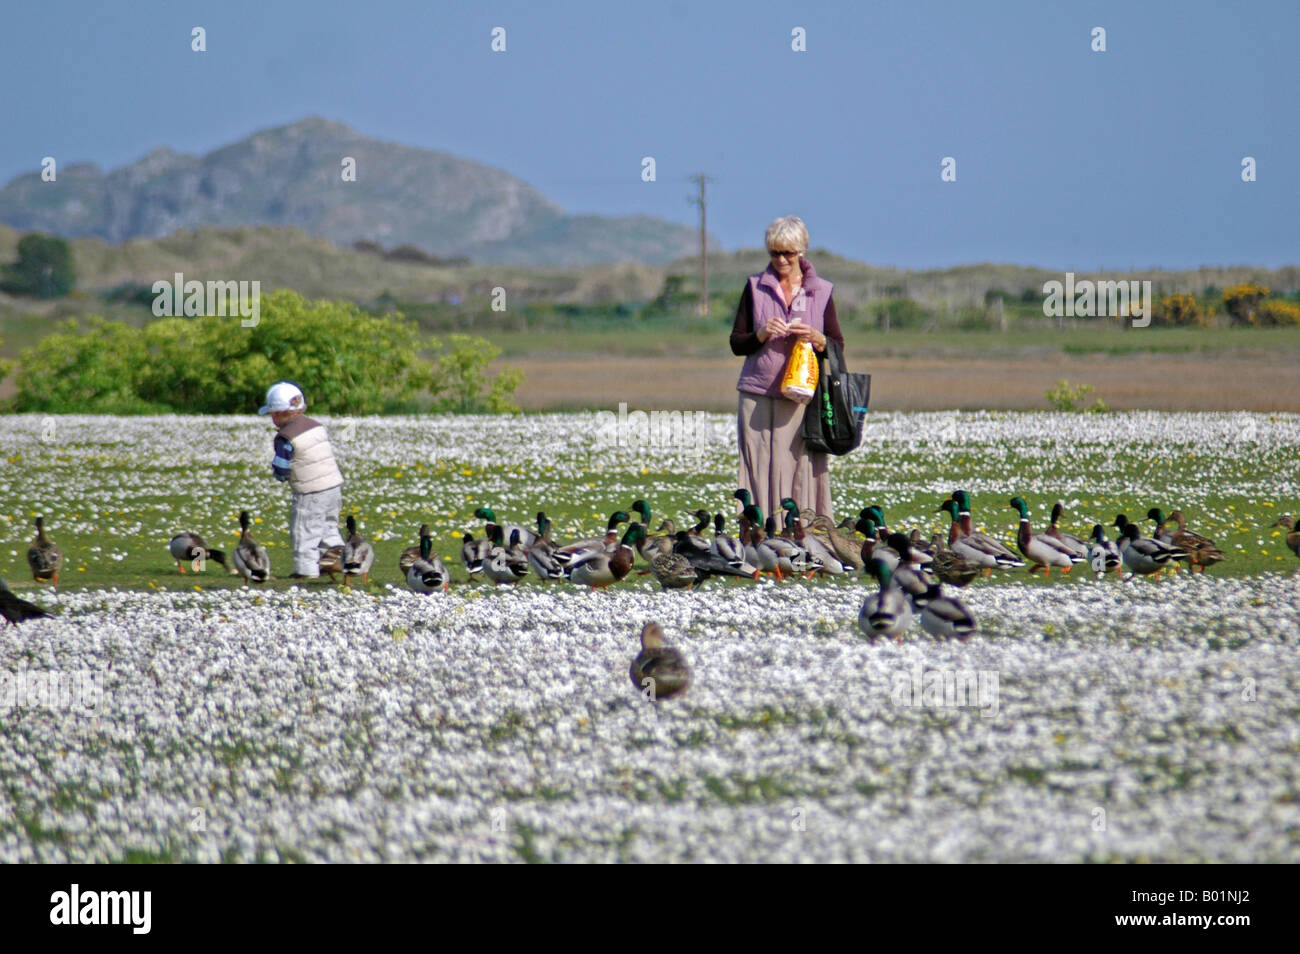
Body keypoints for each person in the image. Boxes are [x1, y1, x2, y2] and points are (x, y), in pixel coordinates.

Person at [730, 215, 844, 521]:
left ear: (802, 250)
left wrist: (818, 339)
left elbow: (836, 344)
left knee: (798, 464)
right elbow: (736, 343)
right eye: (774, 253)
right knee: (759, 463)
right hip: (757, 392)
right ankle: (759, 534)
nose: (781, 259)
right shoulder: (755, 287)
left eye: (788, 253)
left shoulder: (822, 290)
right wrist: (761, 334)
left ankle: (804, 531)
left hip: (801, 394)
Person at [258, 381, 345, 579]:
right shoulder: (316, 426)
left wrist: (279, 475)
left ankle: (305, 571)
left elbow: (282, 467)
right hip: (333, 487)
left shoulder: (285, 436)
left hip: (310, 491)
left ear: (276, 414)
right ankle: (338, 560)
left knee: (305, 532)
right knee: (328, 527)